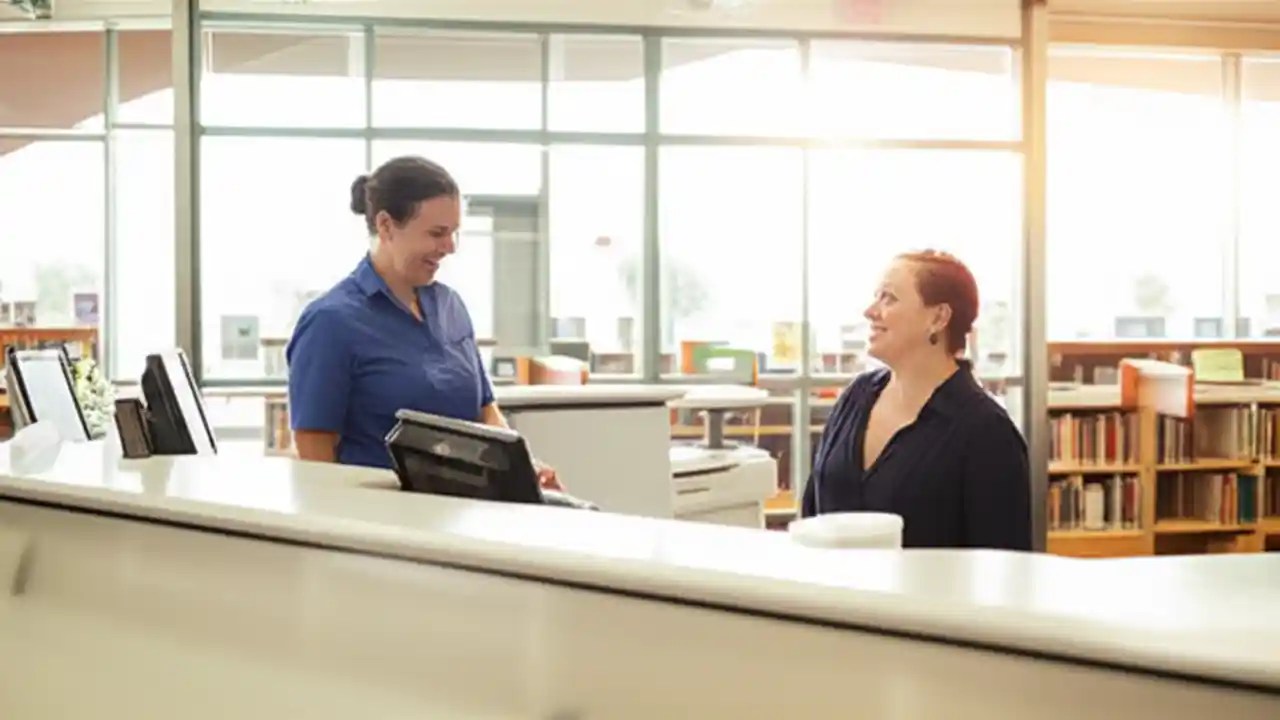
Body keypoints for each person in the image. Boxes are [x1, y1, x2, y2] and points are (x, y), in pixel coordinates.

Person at [285, 155, 559, 488]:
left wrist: (522, 467)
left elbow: (485, 412)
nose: (449, 247)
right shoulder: (330, 323)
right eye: (437, 233)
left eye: (454, 233)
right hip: (378, 524)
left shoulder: (451, 306)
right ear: (386, 226)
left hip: (462, 514)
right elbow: (316, 454)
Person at [800, 249, 1031, 550]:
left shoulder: (987, 432)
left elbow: (1003, 566)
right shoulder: (856, 397)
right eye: (876, 297)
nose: (870, 311)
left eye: (889, 298)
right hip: (829, 596)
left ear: (938, 318)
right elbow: (811, 516)